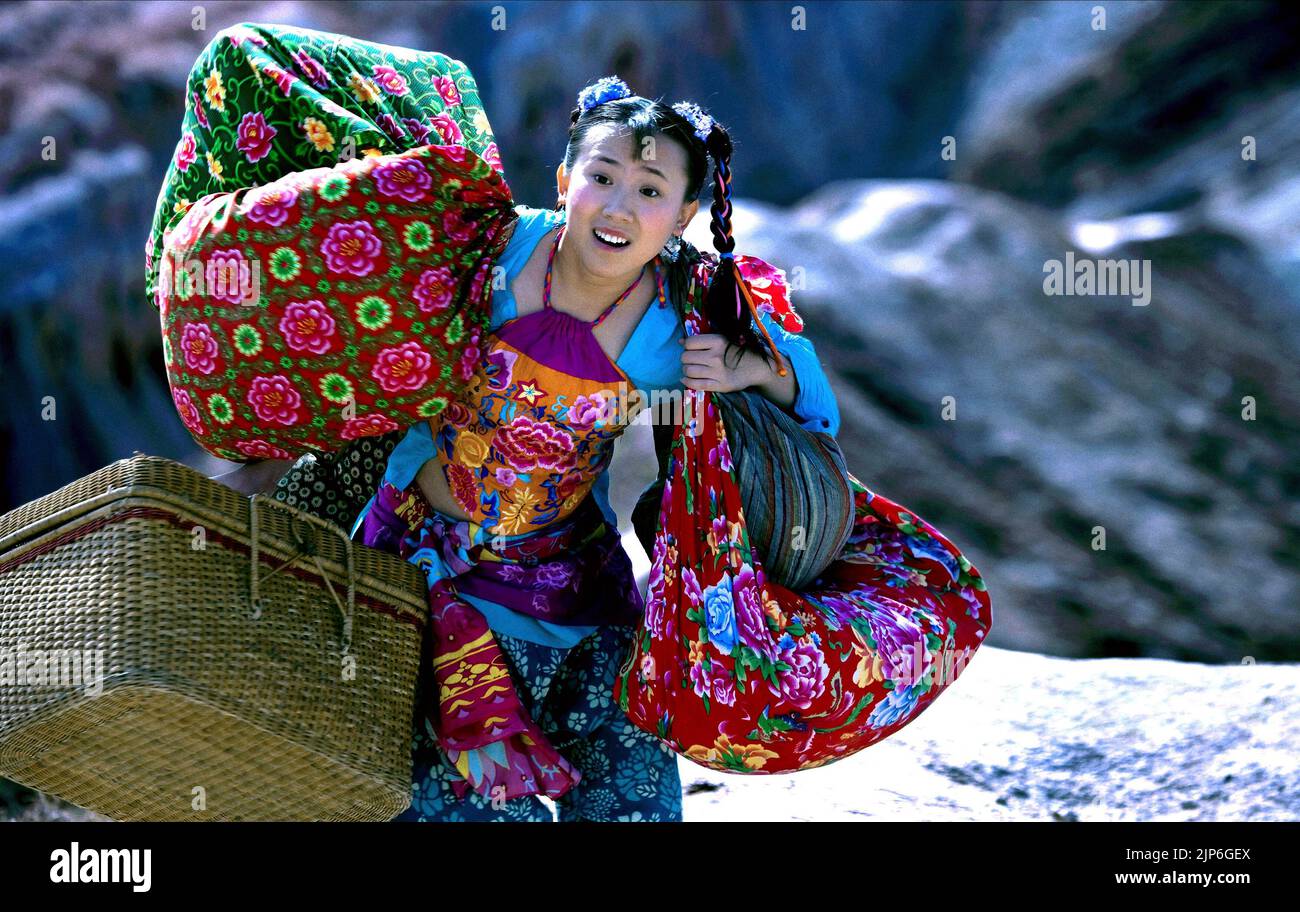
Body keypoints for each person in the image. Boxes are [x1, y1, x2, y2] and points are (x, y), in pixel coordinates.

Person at [356, 78, 842, 822]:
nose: (617, 208)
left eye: (650, 190)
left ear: (682, 217)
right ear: (564, 181)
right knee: (469, 807)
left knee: (634, 795)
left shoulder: (682, 314)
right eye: (602, 176)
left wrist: (748, 369)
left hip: (575, 585)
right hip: (423, 572)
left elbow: (815, 407)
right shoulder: (492, 249)